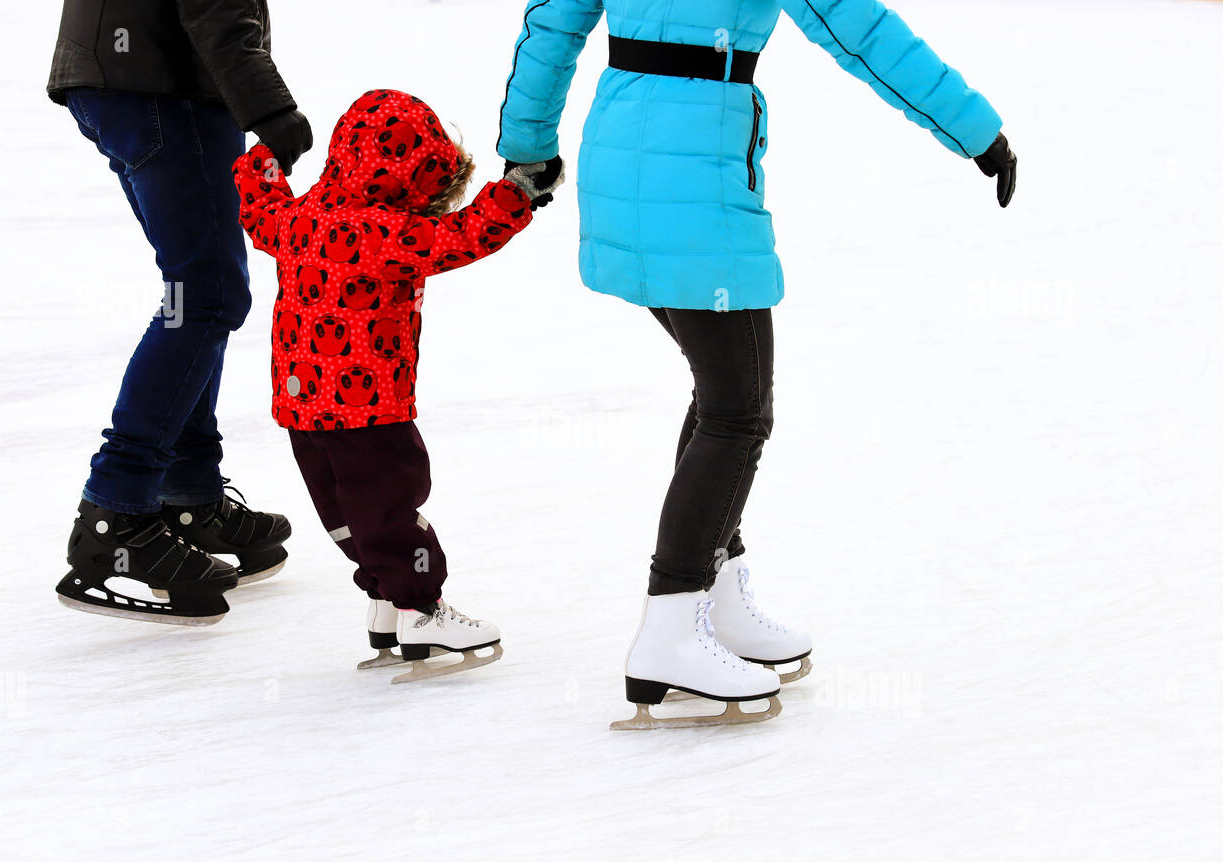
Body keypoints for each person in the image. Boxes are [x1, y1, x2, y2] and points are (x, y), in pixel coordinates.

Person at [497, 0, 1017, 728]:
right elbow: (860, 32)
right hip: (699, 185)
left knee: (721, 397)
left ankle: (715, 595)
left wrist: (527, 144)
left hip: (619, 158)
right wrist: (975, 130)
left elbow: (553, 22)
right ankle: (671, 627)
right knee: (738, 412)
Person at [232, 89, 553, 682]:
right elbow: (461, 236)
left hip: (300, 407)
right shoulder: (384, 232)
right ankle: (420, 609)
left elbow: (258, 205)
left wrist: (268, 155)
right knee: (392, 504)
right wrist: (519, 193)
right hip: (369, 406)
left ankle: (386, 601)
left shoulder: (299, 219)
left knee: (347, 510)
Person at [47, 1, 316, 626]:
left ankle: (186, 494)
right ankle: (117, 511)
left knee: (195, 290)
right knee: (205, 294)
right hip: (162, 85)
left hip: (127, 77)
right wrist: (270, 108)